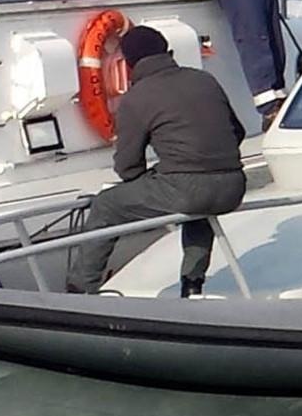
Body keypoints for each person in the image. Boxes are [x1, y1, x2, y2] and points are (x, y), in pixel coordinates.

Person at [66, 26, 246, 297]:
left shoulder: (136, 98)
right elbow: (238, 132)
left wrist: (157, 174)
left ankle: (80, 291)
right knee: (197, 209)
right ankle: (192, 284)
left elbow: (128, 167)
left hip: (188, 189)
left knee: (106, 206)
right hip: (234, 185)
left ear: (128, 64)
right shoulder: (204, 79)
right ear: (168, 52)